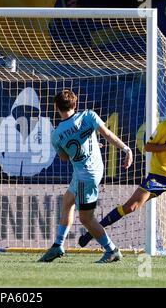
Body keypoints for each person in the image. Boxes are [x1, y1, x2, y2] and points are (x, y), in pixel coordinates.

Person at [78, 95, 166, 258]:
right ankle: (91, 234)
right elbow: (147, 147)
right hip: (158, 177)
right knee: (130, 207)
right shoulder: (165, 127)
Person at [38, 90, 133, 263]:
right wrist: (126, 149)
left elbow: (65, 157)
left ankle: (111, 250)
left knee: (86, 218)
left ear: (55, 107)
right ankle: (58, 245)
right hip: (91, 170)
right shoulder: (88, 115)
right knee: (67, 201)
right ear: (75, 105)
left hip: (85, 176)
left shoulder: (56, 134)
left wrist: (78, 147)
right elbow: (108, 134)